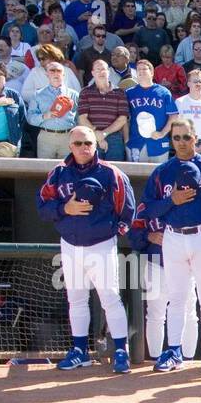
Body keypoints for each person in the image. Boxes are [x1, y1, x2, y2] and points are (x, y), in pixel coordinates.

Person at [36, 125, 136, 374]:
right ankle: (79, 350)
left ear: (96, 145)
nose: (83, 148)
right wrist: (63, 210)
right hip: (70, 245)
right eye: (78, 143)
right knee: (76, 300)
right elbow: (42, 205)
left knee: (110, 299)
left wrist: (112, 232)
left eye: (88, 143)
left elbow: (128, 210)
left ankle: (121, 350)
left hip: (101, 245)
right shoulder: (58, 173)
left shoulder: (111, 173)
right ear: (70, 146)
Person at [137, 116, 201, 374]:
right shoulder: (162, 172)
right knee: (176, 298)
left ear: (195, 138)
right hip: (174, 236)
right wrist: (172, 200)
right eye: (176, 137)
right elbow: (147, 208)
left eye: (185, 137)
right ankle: (173, 351)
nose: (180, 142)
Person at [128, 210, 200, 370]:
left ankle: (188, 361)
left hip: (186, 265)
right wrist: (148, 236)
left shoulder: (193, 197)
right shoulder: (149, 202)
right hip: (156, 263)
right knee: (155, 314)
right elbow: (133, 234)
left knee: (189, 314)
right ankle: (155, 359)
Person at [125, 58, 177, 162]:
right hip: (136, 143)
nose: (141, 72)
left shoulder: (163, 92)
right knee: (136, 176)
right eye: (138, 70)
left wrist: (162, 133)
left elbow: (174, 116)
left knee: (160, 176)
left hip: (158, 143)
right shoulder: (129, 93)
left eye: (144, 69)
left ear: (152, 72)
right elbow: (124, 118)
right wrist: (126, 139)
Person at [77, 59, 128, 160]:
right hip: (91, 137)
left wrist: (104, 133)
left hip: (114, 138)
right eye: (98, 69)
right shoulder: (85, 92)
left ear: (108, 72)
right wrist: (97, 134)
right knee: (92, 171)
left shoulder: (119, 92)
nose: (101, 72)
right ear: (92, 73)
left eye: (103, 69)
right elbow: (82, 119)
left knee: (114, 171)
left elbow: (122, 119)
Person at [26, 60, 77, 159]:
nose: (56, 73)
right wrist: (44, 116)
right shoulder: (38, 94)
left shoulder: (74, 95)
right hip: (46, 137)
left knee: (66, 170)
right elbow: (30, 118)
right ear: (47, 74)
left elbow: (79, 117)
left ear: (64, 74)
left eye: (58, 71)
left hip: (68, 137)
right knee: (44, 171)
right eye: (52, 70)